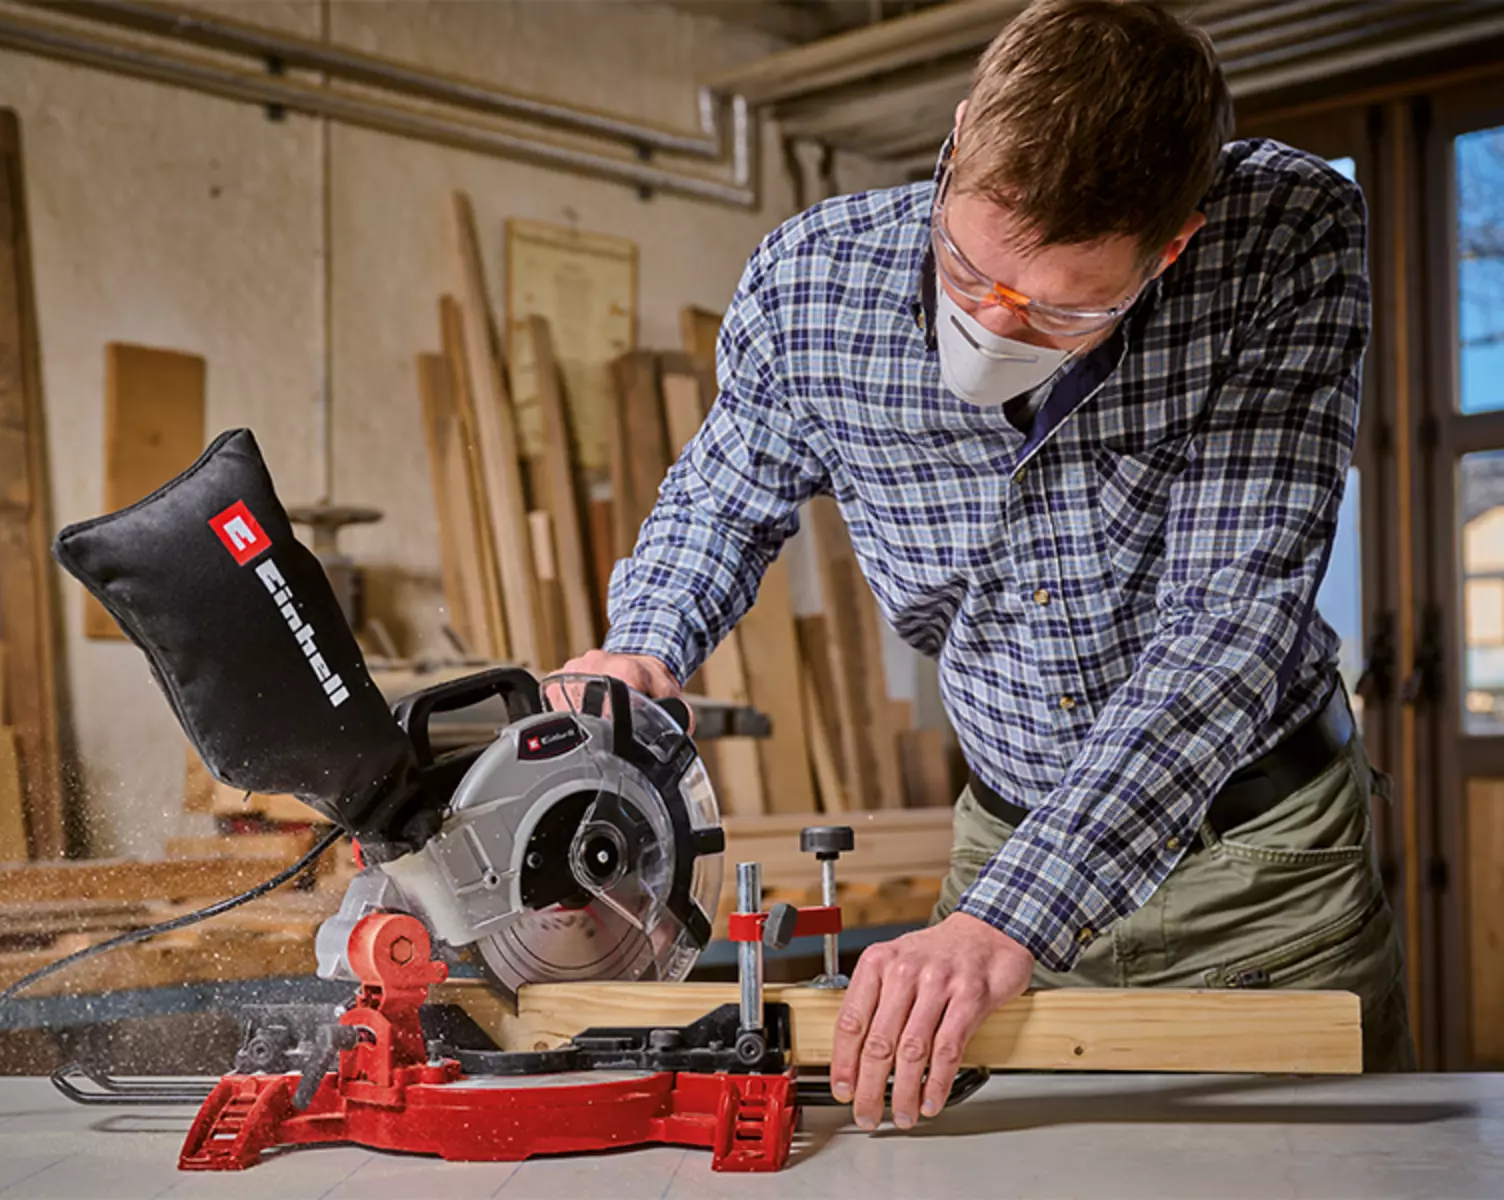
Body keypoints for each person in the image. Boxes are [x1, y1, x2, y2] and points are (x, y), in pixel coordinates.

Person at [561, 0, 1414, 1130]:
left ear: (1173, 247)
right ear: (958, 134)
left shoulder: (1281, 243)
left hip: (1252, 872)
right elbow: (723, 494)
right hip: (1004, 832)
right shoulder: (815, 284)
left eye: (1062, 315)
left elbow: (1227, 622)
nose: (998, 326)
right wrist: (638, 647)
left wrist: (1011, 917)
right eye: (968, 272)